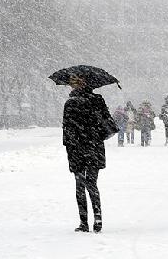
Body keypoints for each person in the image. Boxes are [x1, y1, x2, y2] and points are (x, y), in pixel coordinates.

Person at [62, 73, 114, 233]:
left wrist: (71, 148)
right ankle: (97, 219)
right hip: (94, 147)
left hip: (77, 149)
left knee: (80, 186)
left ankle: (83, 222)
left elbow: (67, 130)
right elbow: (108, 124)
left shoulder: (70, 103)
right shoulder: (97, 101)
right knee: (92, 184)